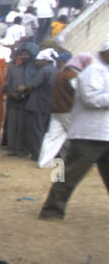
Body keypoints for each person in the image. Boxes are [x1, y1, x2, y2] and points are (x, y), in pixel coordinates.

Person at [39, 41, 109, 218]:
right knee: (70, 175)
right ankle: (52, 210)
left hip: (106, 133)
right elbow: (91, 99)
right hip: (89, 134)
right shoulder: (92, 71)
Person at [38, 53, 94, 167]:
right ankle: (85, 162)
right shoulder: (72, 75)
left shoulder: (61, 73)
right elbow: (82, 93)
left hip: (56, 110)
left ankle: (44, 162)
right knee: (80, 137)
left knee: (52, 137)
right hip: (68, 110)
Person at [24, 49, 57, 159]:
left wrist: (22, 88)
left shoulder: (44, 70)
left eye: (38, 60)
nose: (36, 62)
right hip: (49, 104)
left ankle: (37, 155)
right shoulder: (57, 70)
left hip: (38, 104)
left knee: (36, 130)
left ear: (44, 60)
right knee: (45, 130)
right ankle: (45, 153)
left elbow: (33, 85)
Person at [3, 44, 35, 156]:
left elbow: (34, 86)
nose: (24, 56)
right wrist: (12, 94)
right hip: (13, 100)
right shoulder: (13, 70)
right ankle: (11, 148)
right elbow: (6, 84)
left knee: (23, 126)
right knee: (12, 125)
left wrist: (25, 93)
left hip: (26, 101)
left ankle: (21, 148)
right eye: (22, 54)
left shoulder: (33, 71)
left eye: (26, 54)